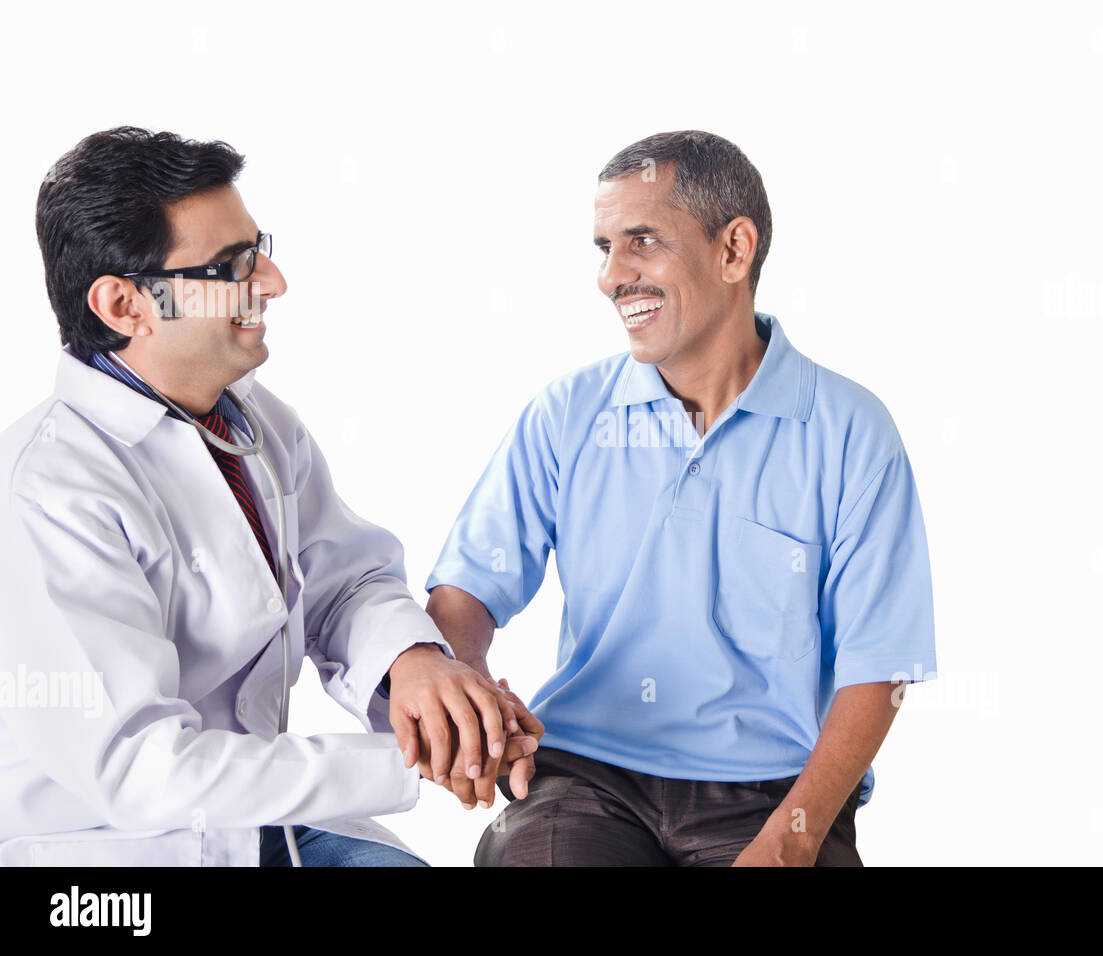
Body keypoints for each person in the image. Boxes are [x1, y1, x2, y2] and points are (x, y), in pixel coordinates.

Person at [0, 127, 539, 867]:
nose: (274, 281)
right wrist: (415, 757)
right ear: (125, 304)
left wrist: (416, 667)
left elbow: (343, 583)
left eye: (260, 248)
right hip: (106, 856)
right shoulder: (46, 491)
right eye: (232, 265)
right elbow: (140, 769)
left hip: (259, 823)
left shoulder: (251, 421)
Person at [425, 130, 937, 867]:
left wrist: (789, 844)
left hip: (775, 791)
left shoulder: (852, 431)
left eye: (640, 242)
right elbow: (467, 588)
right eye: (603, 248)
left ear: (734, 250)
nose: (611, 276)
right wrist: (469, 698)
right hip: (586, 777)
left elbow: (878, 666)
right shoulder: (567, 414)